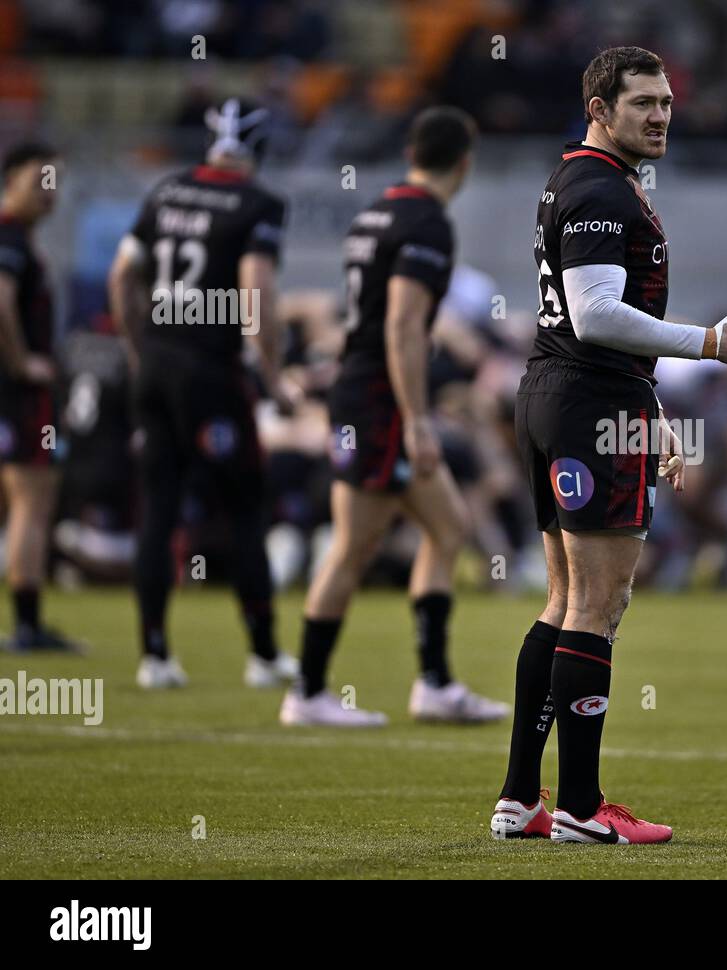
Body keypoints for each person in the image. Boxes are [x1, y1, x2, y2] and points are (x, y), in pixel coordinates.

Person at [490, 46, 727, 844]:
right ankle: (583, 811)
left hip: (569, 398)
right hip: (585, 404)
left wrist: (647, 406)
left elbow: (590, 330)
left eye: (666, 103)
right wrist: (707, 344)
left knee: (563, 601)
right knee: (599, 603)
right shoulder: (596, 187)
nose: (660, 116)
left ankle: (522, 798)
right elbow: (594, 315)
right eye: (643, 103)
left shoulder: (587, 181)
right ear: (599, 107)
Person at [279, 107, 508, 727]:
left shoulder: (375, 212)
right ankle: (307, 691)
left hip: (362, 393)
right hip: (379, 401)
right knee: (355, 545)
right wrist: (416, 417)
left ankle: (433, 683)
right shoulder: (427, 222)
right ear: (464, 162)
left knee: (450, 527)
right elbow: (403, 325)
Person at [108, 98, 298, 688]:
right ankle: (264, 655)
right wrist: (271, 375)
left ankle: (155, 656)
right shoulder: (257, 203)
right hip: (212, 373)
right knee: (244, 507)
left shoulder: (166, 192)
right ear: (259, 150)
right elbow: (256, 290)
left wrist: (140, 351)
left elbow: (121, 277)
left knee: (158, 507)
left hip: (157, 366)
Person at [0, 141, 80, 652]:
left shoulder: (20, 238)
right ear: (11, 179)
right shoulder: (10, 238)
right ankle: (27, 624)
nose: (50, 193)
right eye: (41, 180)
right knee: (33, 501)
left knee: (23, 503)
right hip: (18, 393)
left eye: (55, 182)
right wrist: (22, 360)